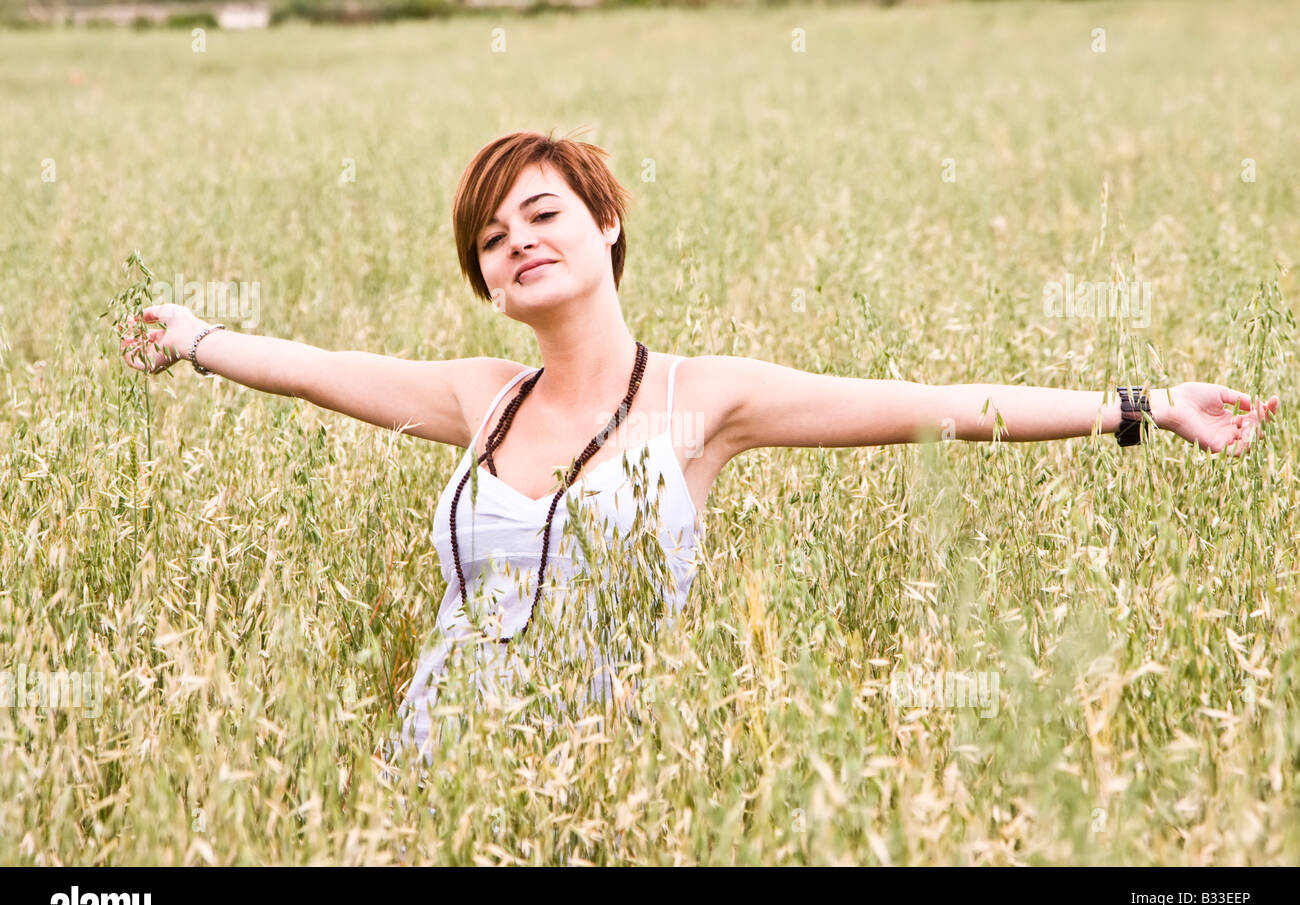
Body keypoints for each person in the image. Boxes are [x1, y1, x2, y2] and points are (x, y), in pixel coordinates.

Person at [120, 129, 1281, 770]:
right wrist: (196, 336)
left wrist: (1145, 402)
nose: (517, 240)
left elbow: (939, 403)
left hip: (604, 773)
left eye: (541, 214)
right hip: (432, 768)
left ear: (606, 223)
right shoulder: (480, 396)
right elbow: (313, 367)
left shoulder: (704, 400)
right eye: (491, 235)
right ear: (481, 282)